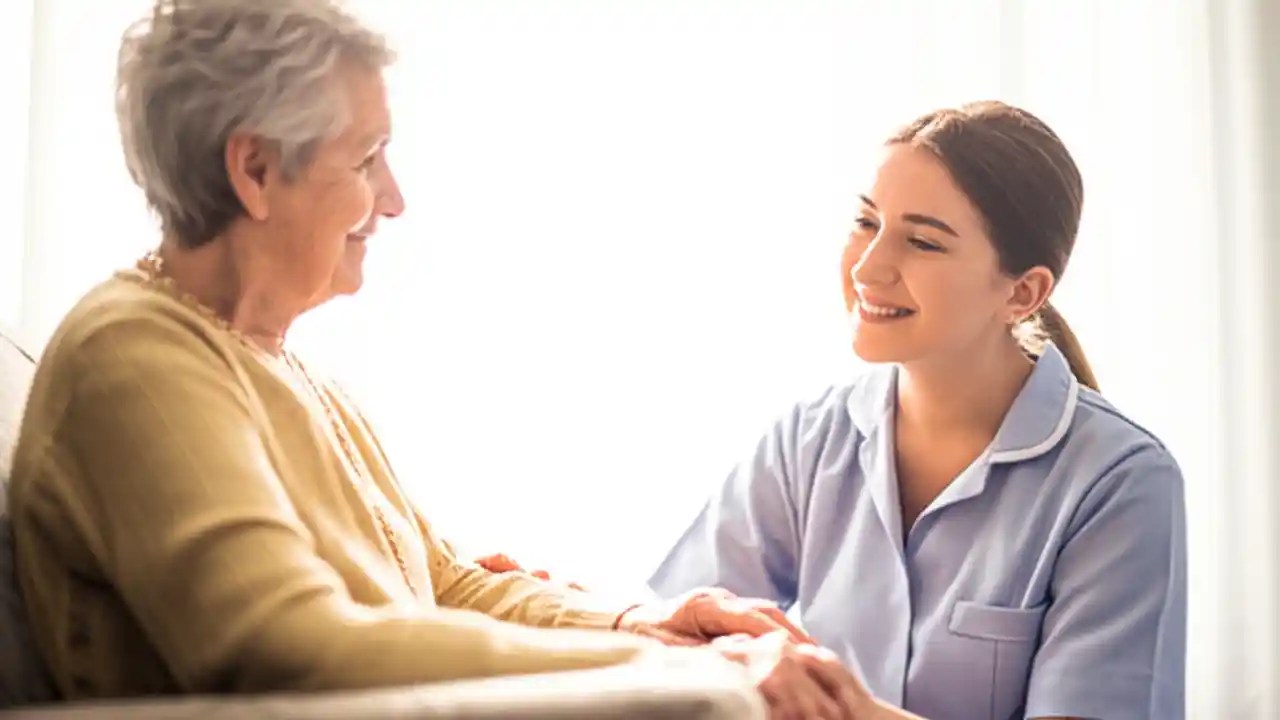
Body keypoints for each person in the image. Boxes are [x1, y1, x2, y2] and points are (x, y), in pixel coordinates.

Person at [6, 1, 877, 716]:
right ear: (256, 169)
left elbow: (443, 583)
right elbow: (285, 640)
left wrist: (648, 629)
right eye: (366, 158)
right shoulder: (137, 360)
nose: (394, 198)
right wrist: (700, 680)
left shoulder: (271, 358)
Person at [642, 102, 1188, 719]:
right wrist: (740, 658)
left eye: (923, 242)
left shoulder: (1121, 483)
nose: (870, 267)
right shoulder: (809, 441)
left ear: (1023, 292)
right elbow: (668, 638)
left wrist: (843, 708)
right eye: (865, 222)